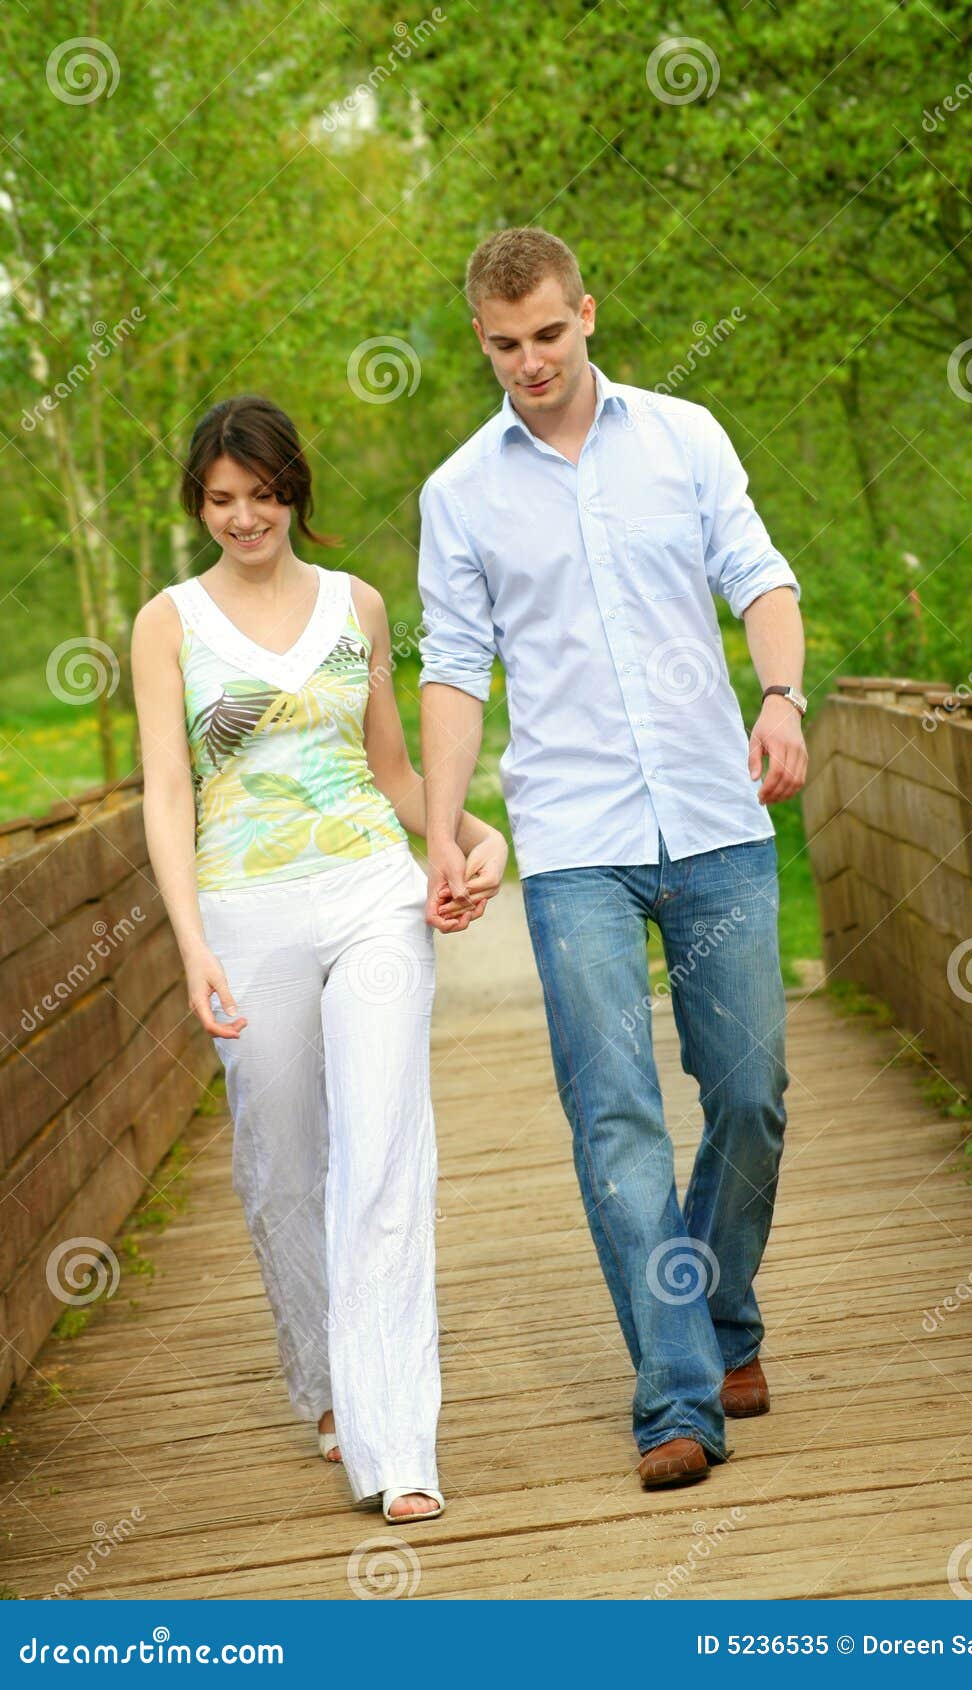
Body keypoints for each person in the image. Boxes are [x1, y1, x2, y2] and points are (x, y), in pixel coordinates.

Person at [417, 228, 807, 1490]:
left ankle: (719, 1312)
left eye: (547, 333)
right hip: (574, 839)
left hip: (713, 816)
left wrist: (781, 696)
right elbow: (453, 667)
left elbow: (759, 577)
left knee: (747, 1096)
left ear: (584, 313)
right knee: (616, 1117)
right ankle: (677, 1394)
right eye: (503, 345)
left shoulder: (683, 437)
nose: (529, 361)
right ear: (480, 341)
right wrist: (441, 827)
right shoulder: (457, 493)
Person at [131, 394, 507, 1522]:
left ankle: (399, 1444)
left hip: (369, 895)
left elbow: (390, 770)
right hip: (244, 910)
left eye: (261, 494)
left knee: (384, 1152)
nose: (243, 517)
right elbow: (167, 793)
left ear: (293, 490)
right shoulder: (168, 622)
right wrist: (191, 943)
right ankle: (326, 1383)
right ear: (200, 505)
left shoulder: (358, 605)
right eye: (220, 500)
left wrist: (470, 835)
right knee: (284, 1164)